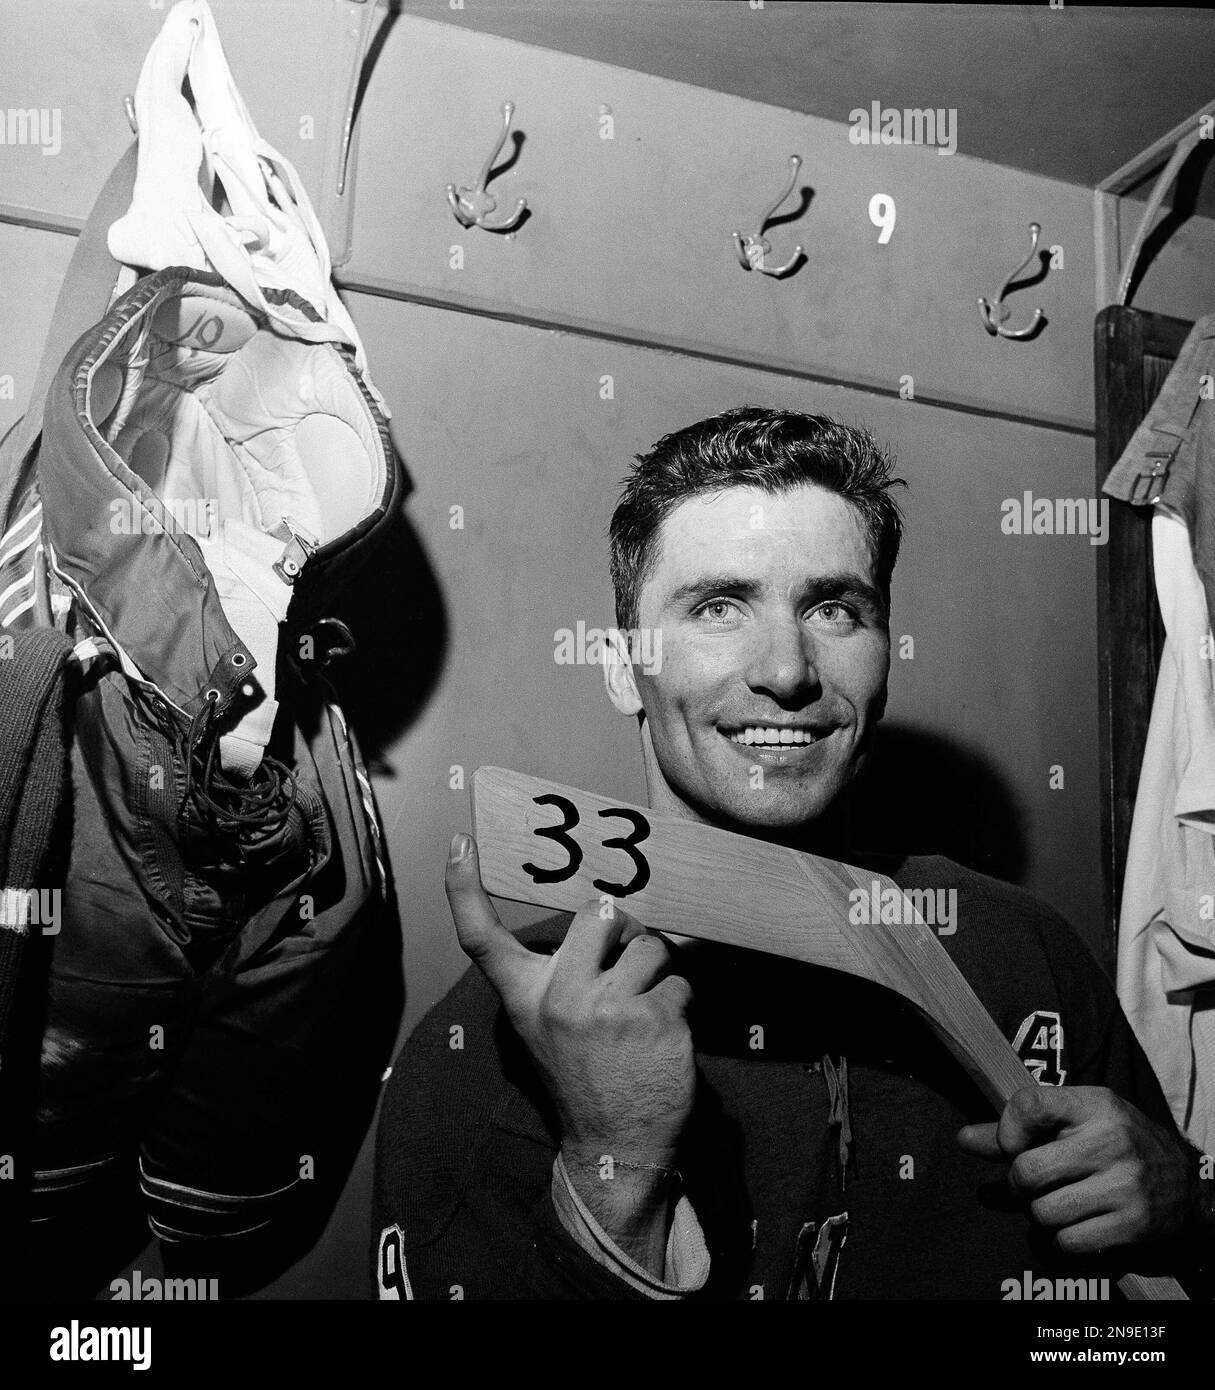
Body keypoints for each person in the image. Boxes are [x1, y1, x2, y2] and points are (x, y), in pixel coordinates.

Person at [373, 407, 1214, 1300]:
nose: (786, 671)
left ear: (884, 656)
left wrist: (1191, 1212)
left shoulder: (1023, 954)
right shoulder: (499, 1037)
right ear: (623, 666)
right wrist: (612, 1165)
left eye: (832, 608)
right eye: (718, 607)